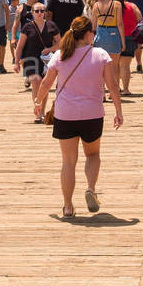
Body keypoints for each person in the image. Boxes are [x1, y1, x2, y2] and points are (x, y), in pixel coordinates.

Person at [35, 16, 123, 217]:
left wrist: (38, 103)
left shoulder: (60, 55)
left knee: (68, 161)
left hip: (65, 114)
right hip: (92, 114)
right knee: (92, 155)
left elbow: (46, 83)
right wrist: (118, 111)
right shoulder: (100, 55)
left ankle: (67, 206)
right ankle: (90, 189)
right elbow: (113, 86)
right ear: (88, 34)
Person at [89, 0, 124, 66]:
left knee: (100, 66)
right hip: (113, 35)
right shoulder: (117, 4)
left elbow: (93, 27)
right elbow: (119, 24)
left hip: (100, 35)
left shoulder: (96, 5)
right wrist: (123, 42)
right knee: (114, 66)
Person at [114, 0, 141, 95]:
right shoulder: (132, 6)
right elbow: (140, 20)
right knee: (125, 65)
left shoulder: (113, 6)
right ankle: (126, 89)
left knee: (115, 65)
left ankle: (116, 88)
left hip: (114, 37)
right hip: (129, 37)